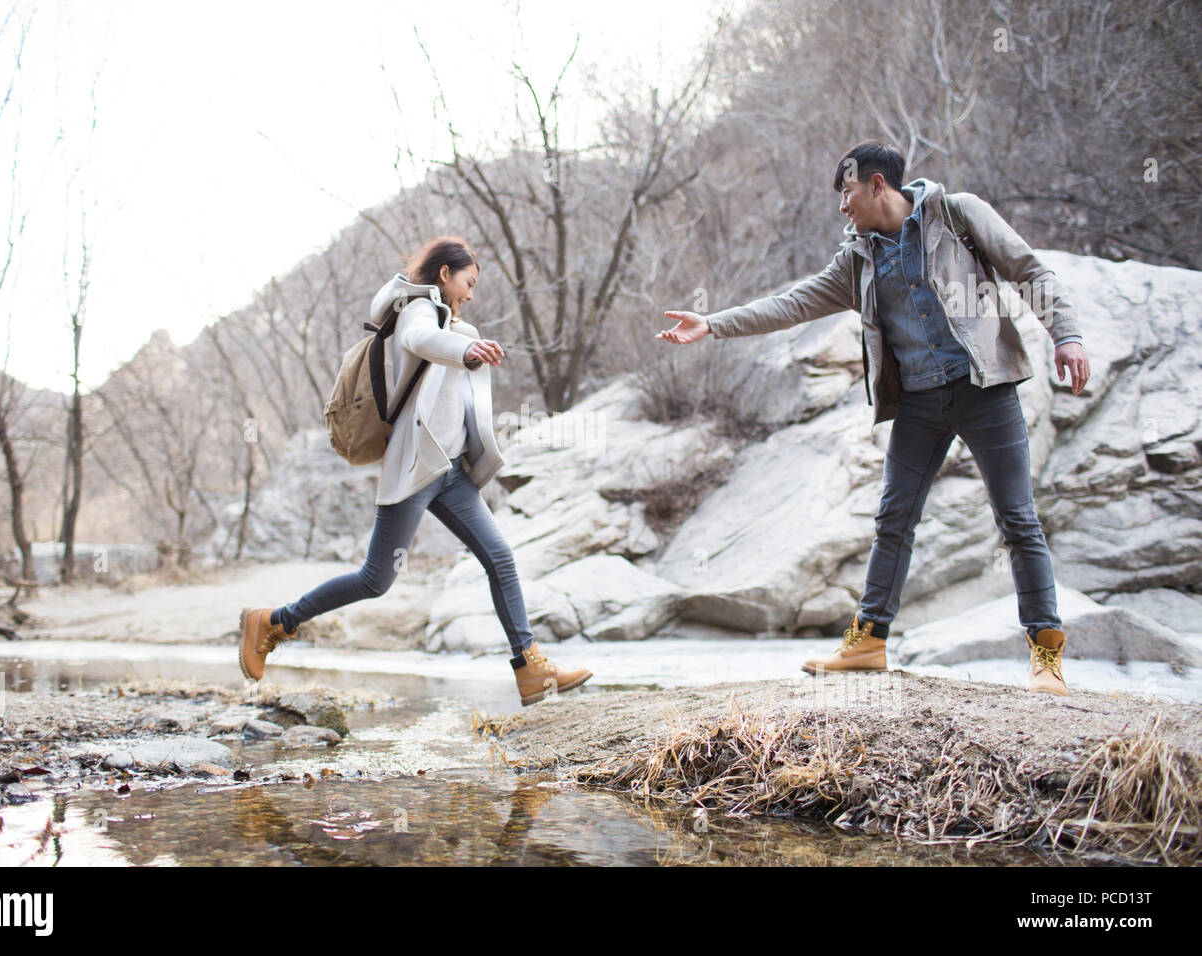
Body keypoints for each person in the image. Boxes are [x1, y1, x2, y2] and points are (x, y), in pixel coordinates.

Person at [657, 142, 1090, 696]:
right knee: (893, 520)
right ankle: (868, 642)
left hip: (986, 390)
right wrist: (713, 323)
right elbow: (791, 303)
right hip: (917, 405)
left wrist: (1067, 335)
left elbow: (1029, 271)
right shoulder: (857, 261)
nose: (843, 206)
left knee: (1017, 520)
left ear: (878, 184)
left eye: (848, 191)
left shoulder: (957, 215)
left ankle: (1046, 657)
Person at [239, 236, 591, 706]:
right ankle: (276, 621)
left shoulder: (452, 323)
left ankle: (529, 668)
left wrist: (468, 349)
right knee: (375, 580)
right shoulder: (416, 310)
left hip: (450, 473)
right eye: (468, 282)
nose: (470, 293)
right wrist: (466, 351)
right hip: (415, 468)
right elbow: (419, 341)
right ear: (444, 274)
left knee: (500, 558)